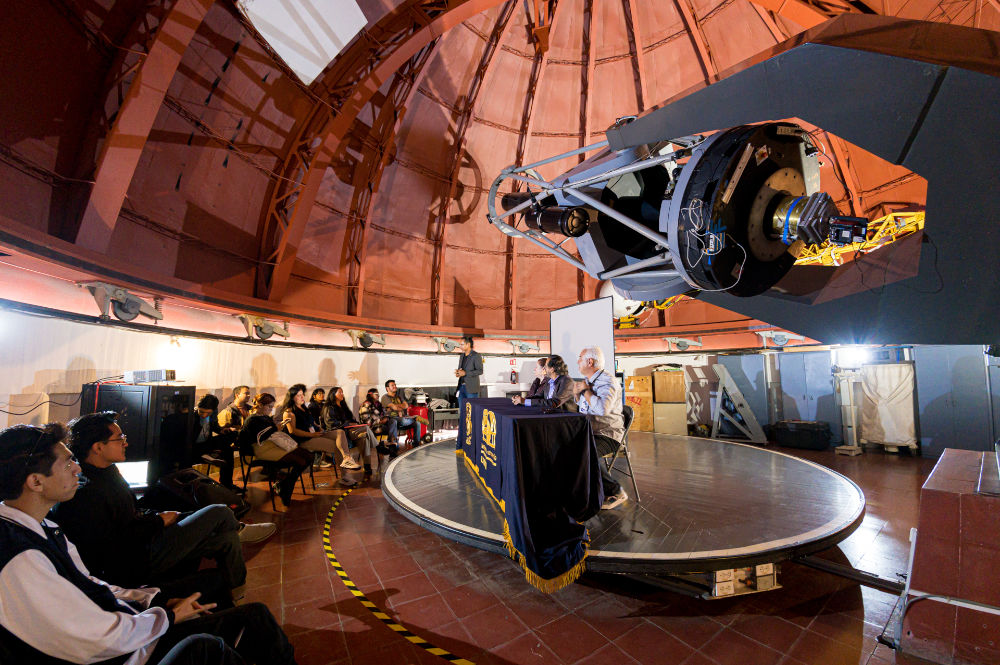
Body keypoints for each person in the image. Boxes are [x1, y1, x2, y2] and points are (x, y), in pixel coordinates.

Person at [0, 422, 297, 665]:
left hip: (129, 617)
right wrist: (165, 616)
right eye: (67, 464)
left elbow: (89, 584)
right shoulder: (20, 556)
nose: (76, 470)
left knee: (244, 605)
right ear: (36, 482)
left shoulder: (44, 525)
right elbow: (91, 635)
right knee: (207, 647)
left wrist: (151, 600)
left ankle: (233, 537)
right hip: (123, 645)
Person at [52, 412, 276, 592]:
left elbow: (132, 510)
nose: (125, 443)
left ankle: (237, 592)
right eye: (119, 438)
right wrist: (157, 523)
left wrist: (157, 517)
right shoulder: (87, 491)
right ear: (97, 447)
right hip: (137, 559)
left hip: (146, 537)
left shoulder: (109, 471)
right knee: (217, 511)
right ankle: (237, 528)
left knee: (225, 540)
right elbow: (115, 543)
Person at [574, 346, 629, 510]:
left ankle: (615, 491)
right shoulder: (590, 382)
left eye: (580, 357)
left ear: (590, 361)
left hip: (608, 435)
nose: (577, 361)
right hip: (592, 432)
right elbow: (586, 407)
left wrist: (585, 391)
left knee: (585, 453)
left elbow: (602, 409)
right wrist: (578, 396)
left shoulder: (607, 381)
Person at [238, 393, 313, 507]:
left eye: (272, 407)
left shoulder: (264, 417)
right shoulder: (252, 419)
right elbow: (261, 437)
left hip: (272, 445)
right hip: (262, 449)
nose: (271, 409)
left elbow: (270, 431)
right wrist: (275, 428)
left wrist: (278, 426)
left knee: (309, 456)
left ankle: (285, 484)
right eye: (269, 407)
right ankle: (286, 488)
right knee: (300, 461)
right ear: (259, 405)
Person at [276, 384, 359, 480]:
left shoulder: (304, 408)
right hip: (305, 439)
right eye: (299, 395)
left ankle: (347, 458)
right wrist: (312, 434)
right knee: (336, 446)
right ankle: (345, 477)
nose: (302, 397)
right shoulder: (289, 412)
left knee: (340, 432)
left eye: (302, 394)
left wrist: (318, 427)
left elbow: (312, 422)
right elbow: (293, 431)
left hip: (315, 434)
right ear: (292, 397)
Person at [321, 387, 376, 479]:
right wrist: (348, 424)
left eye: (342, 392)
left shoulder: (343, 406)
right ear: (333, 394)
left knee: (364, 437)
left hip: (349, 430)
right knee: (366, 428)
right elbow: (331, 424)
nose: (342, 394)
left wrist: (353, 423)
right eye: (340, 392)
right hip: (340, 431)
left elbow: (352, 419)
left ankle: (367, 466)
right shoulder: (328, 407)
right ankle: (377, 446)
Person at [192, 394, 237, 490]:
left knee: (230, 443)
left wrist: (222, 430)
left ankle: (227, 484)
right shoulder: (192, 416)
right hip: (195, 447)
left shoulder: (213, 412)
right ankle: (206, 455)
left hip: (207, 443)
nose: (204, 415)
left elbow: (214, 426)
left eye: (208, 413)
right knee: (227, 449)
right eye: (201, 412)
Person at [359, 388, 399, 459]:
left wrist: (386, 418)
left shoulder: (379, 404)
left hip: (381, 425)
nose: (378, 396)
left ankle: (391, 446)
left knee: (393, 421)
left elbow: (385, 413)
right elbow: (366, 421)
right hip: (372, 427)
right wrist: (379, 421)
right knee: (392, 428)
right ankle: (391, 448)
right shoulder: (365, 405)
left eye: (378, 394)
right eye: (376, 394)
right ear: (370, 395)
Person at [381, 380, 416, 445]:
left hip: (401, 418)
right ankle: (394, 445)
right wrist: (398, 407)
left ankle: (416, 444)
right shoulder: (385, 397)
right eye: (392, 385)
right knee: (401, 420)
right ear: (387, 388)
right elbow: (394, 407)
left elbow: (406, 406)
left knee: (417, 423)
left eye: (395, 385)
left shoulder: (399, 397)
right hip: (392, 418)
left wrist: (396, 407)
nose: (395, 386)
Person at [455, 336, 483, 402]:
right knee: (462, 410)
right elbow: (461, 369)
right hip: (461, 387)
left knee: (471, 410)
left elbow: (480, 371)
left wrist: (465, 373)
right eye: (460, 345)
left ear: (468, 344)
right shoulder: (462, 356)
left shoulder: (476, 355)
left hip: (471, 388)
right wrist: (458, 373)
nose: (460, 346)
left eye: (462, 344)